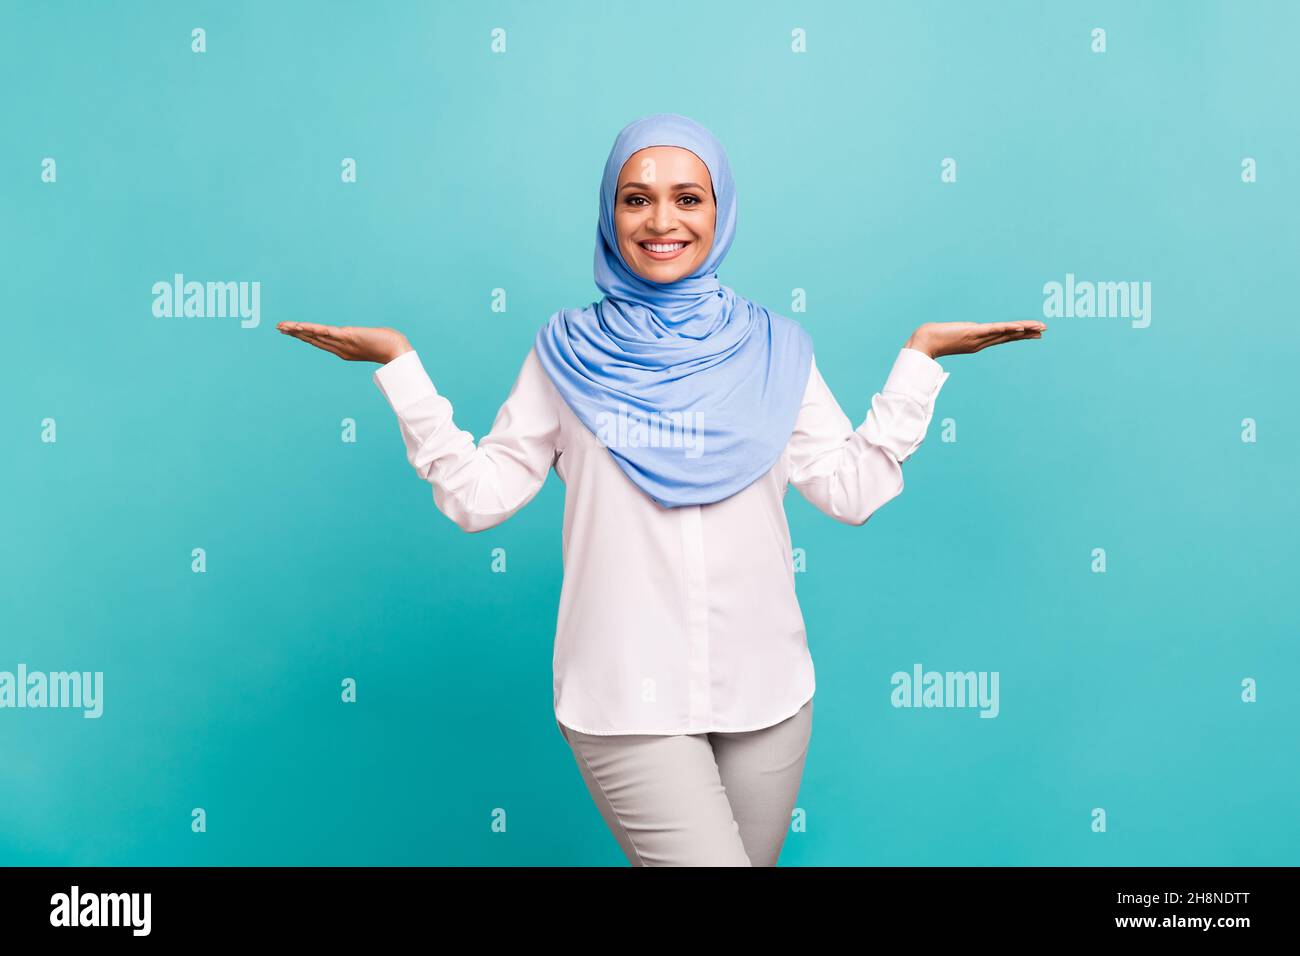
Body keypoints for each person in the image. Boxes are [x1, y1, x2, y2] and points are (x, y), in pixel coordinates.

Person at [279, 113, 1045, 866]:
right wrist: (400, 366)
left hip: (768, 694)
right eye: (636, 198)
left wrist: (921, 360)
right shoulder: (564, 355)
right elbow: (478, 498)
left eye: (689, 197)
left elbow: (850, 490)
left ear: (722, 211)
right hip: (625, 699)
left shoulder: (778, 350)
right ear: (610, 215)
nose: (662, 220)